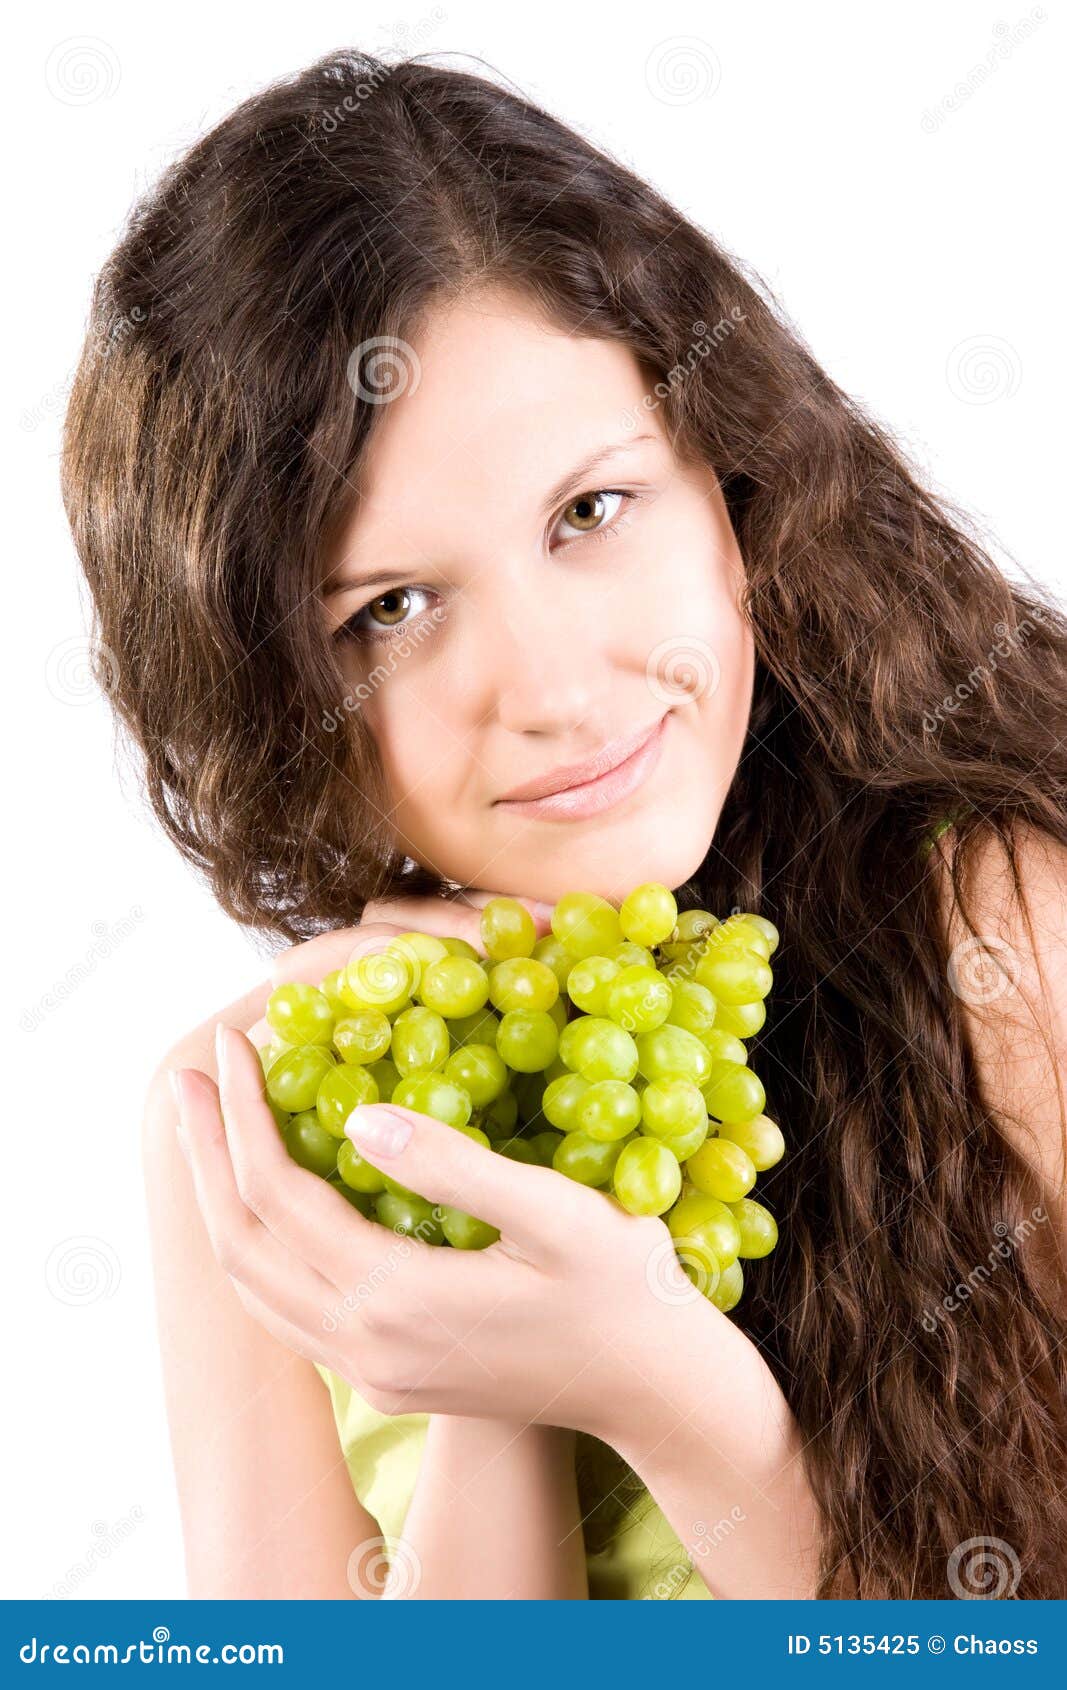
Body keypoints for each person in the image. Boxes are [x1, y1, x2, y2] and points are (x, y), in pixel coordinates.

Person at [61, 49, 1067, 1600]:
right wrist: (495, 1366)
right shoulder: (245, 1117)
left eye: (590, 513)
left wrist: (670, 1400)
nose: (552, 688)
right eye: (392, 608)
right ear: (262, 688)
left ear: (730, 469)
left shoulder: (1007, 928)